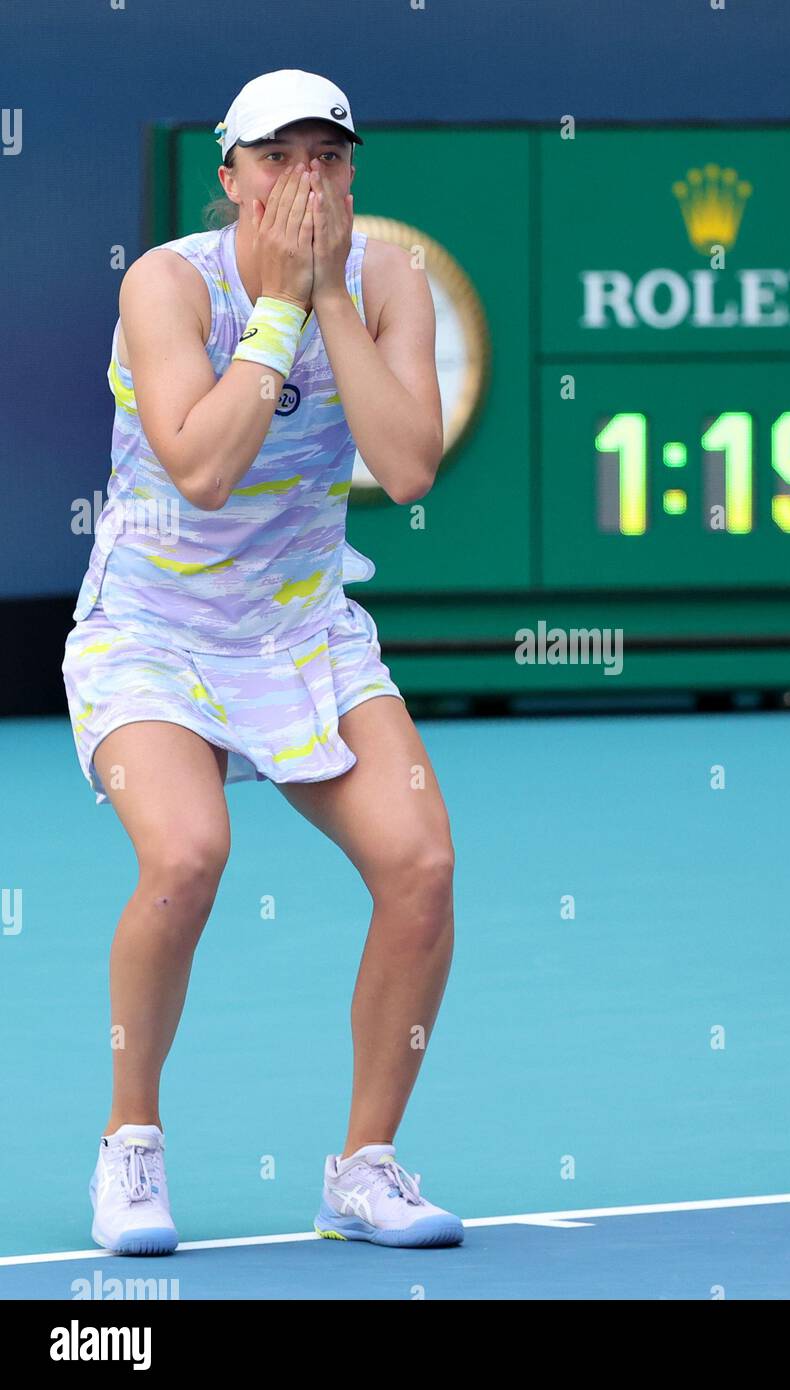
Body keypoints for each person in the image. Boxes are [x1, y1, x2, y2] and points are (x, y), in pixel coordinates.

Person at [64, 70, 463, 1253]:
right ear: (228, 177)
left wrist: (328, 296)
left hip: (303, 629)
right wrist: (279, 312)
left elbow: (408, 471)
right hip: (151, 628)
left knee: (423, 865)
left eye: (328, 157)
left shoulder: (392, 281)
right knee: (186, 853)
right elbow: (201, 467)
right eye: (278, 158)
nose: (307, 180)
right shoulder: (167, 284)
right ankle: (131, 1141)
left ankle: (366, 1166)